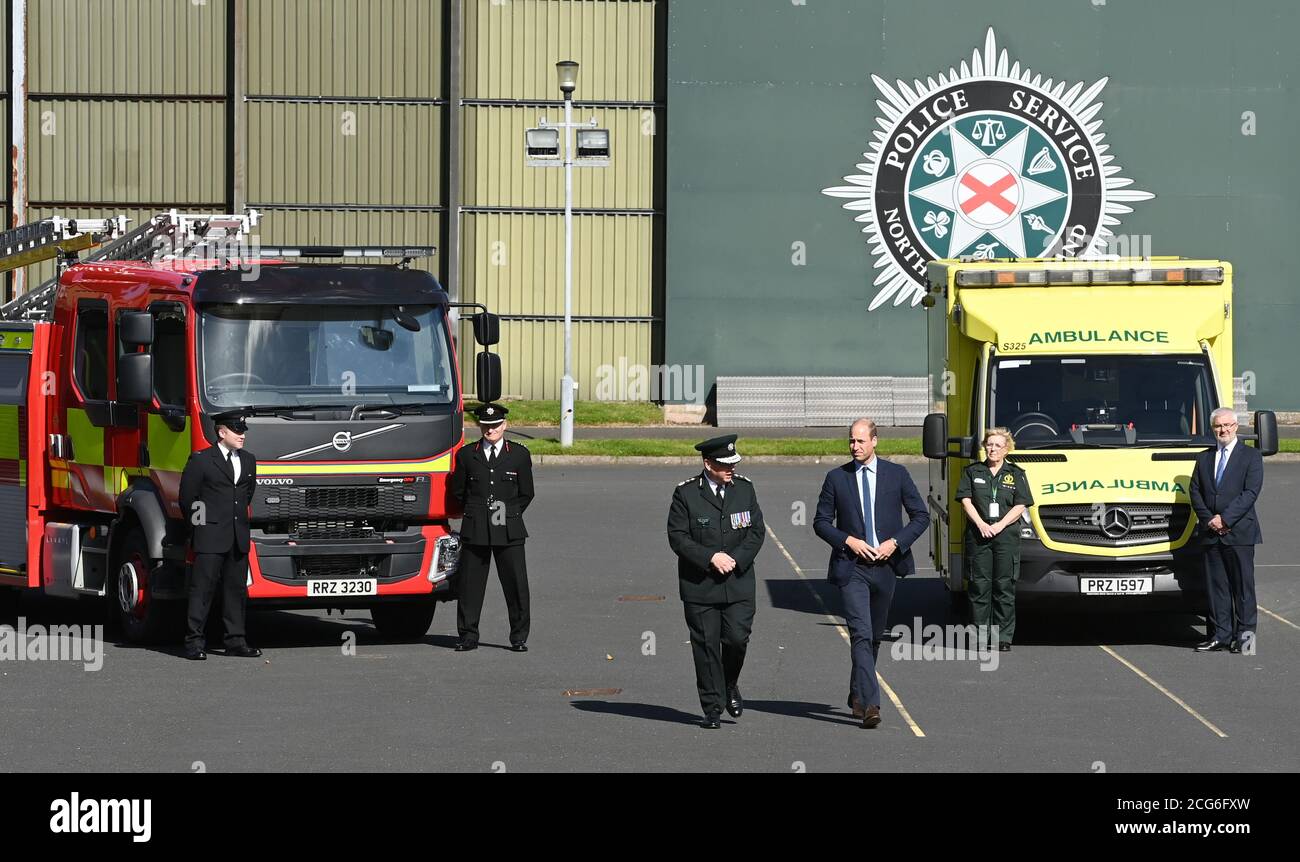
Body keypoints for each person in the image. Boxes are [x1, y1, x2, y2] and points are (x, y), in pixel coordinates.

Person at [813, 419, 929, 728]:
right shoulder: (836, 478)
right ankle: (872, 705)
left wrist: (895, 543)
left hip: (887, 567)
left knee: (874, 637)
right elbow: (821, 522)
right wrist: (848, 540)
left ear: (875, 441)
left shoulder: (897, 474)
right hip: (853, 569)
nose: (854, 446)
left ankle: (856, 694)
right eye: (851, 441)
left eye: (861, 441)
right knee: (860, 634)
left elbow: (921, 516)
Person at [666, 435, 765, 729]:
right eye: (724, 464)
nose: (730, 468)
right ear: (707, 463)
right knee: (706, 647)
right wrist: (711, 557)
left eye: (733, 463)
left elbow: (756, 531)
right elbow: (678, 537)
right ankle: (711, 707)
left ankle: (729, 682)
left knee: (736, 639)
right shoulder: (686, 494)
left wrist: (735, 559)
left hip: (738, 582)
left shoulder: (745, 489)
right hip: (701, 585)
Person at [449, 403, 534, 652]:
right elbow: (458, 491)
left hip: (509, 530)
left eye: (495, 425)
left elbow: (526, 493)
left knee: (516, 584)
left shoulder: (518, 455)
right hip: (476, 529)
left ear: (504, 426)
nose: (490, 430)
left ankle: (518, 637)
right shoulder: (466, 456)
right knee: (469, 586)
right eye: (486, 426)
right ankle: (468, 635)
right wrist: (478, 513)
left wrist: (507, 515)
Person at [178, 409, 261, 660]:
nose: (242, 435)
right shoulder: (202, 460)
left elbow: (247, 495)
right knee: (202, 591)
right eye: (236, 431)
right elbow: (188, 499)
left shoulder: (248, 460)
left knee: (235, 591)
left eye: (243, 431)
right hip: (210, 537)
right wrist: (201, 528)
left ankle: (235, 641)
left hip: (238, 537)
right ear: (221, 432)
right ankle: (194, 642)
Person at [1190, 407, 1263, 653]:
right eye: (1218, 426)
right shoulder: (1203, 458)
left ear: (1236, 427)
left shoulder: (1251, 457)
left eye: (1227, 425)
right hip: (1211, 533)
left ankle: (1245, 641)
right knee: (1217, 589)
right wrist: (1210, 519)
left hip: (1239, 533)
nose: (1223, 430)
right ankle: (1220, 636)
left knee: (1243, 590)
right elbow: (1195, 491)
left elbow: (1250, 493)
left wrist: (1225, 519)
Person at [956, 428, 1034, 652]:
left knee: (1004, 586)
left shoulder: (1016, 473)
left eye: (998, 445)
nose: (992, 449)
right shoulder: (972, 471)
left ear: (1006, 449)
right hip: (979, 535)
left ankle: (1003, 638)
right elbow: (966, 500)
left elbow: (1021, 505)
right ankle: (979, 638)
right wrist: (981, 524)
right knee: (979, 587)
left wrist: (1000, 525)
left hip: (1005, 536)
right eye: (989, 445)